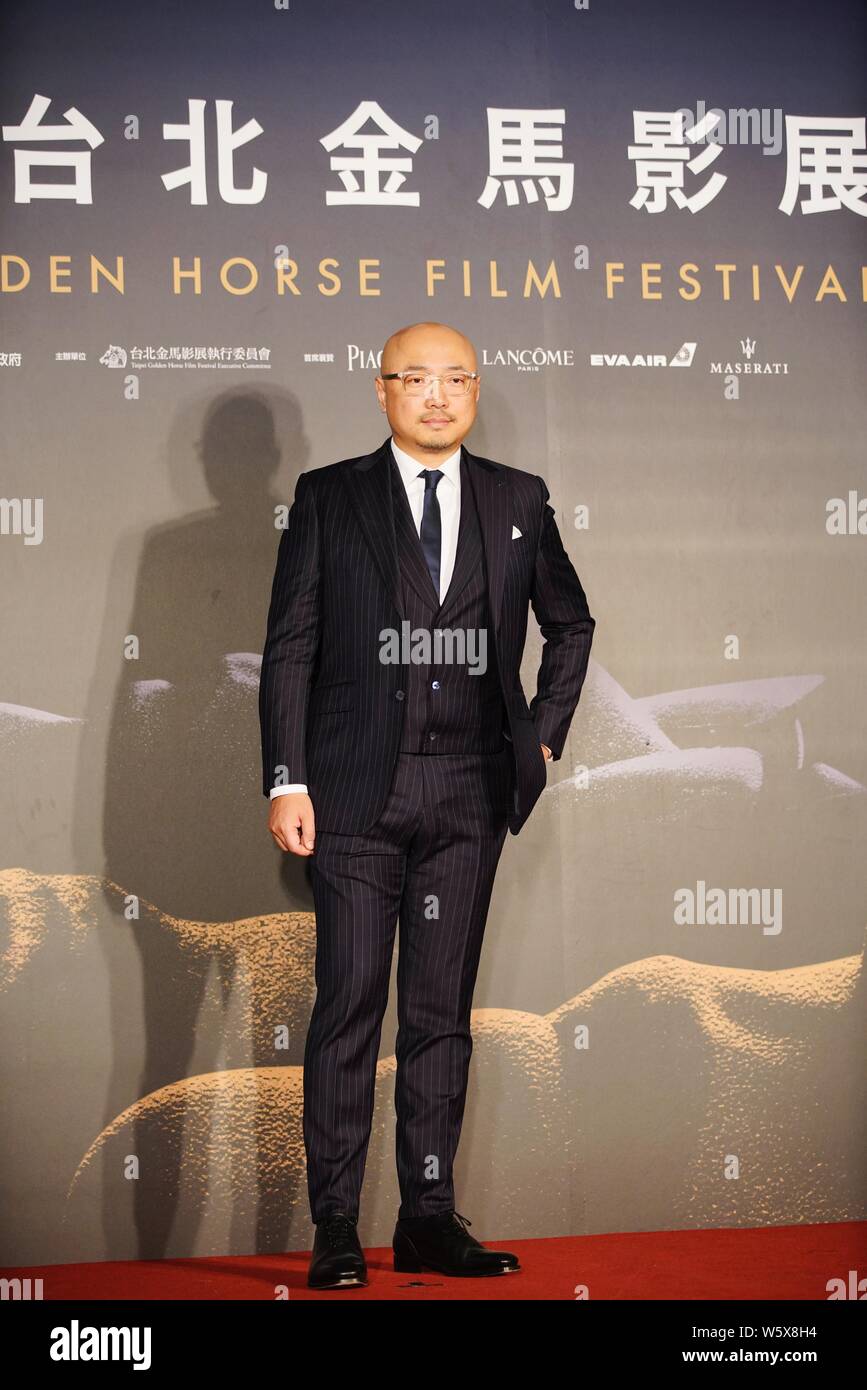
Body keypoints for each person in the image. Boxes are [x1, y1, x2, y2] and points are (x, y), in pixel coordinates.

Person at [258, 320, 595, 1288]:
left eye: (457, 379)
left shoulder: (518, 498)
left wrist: (539, 734)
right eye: (417, 379)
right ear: (382, 390)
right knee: (349, 1006)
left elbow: (569, 623)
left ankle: (427, 1218)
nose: (438, 395)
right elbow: (290, 646)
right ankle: (334, 1226)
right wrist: (288, 776)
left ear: (476, 390)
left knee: (441, 1014)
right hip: (356, 790)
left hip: (469, 793)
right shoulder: (330, 498)